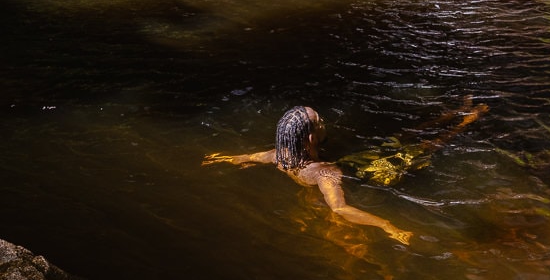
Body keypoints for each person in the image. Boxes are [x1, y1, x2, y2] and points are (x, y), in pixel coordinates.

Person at [203, 98, 487, 247]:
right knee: (423, 147)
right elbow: (339, 209)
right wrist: (387, 226)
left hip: (356, 162)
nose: (324, 123)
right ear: (311, 138)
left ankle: (453, 113)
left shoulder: (279, 156)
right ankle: (464, 121)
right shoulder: (324, 173)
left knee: (402, 138)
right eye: (320, 122)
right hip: (372, 173)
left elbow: (251, 157)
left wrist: (227, 159)